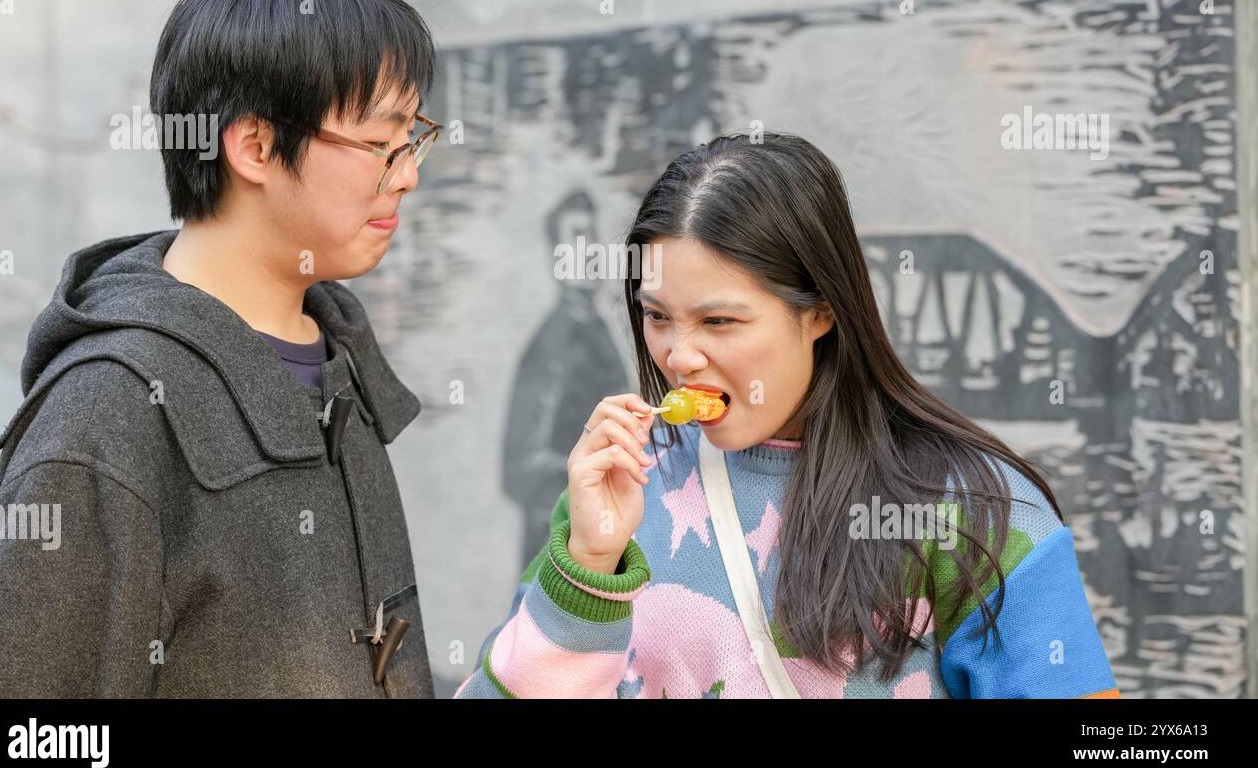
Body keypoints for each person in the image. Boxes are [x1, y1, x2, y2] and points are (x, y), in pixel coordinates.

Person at [456, 132, 1120, 699]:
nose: (679, 356)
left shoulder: (975, 507)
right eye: (656, 316)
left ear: (821, 312)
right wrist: (588, 568)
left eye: (720, 320)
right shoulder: (625, 489)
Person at [0, 0, 441, 697]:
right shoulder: (107, 416)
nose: (407, 172)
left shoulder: (339, 360)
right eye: (380, 143)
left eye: (414, 138)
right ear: (253, 147)